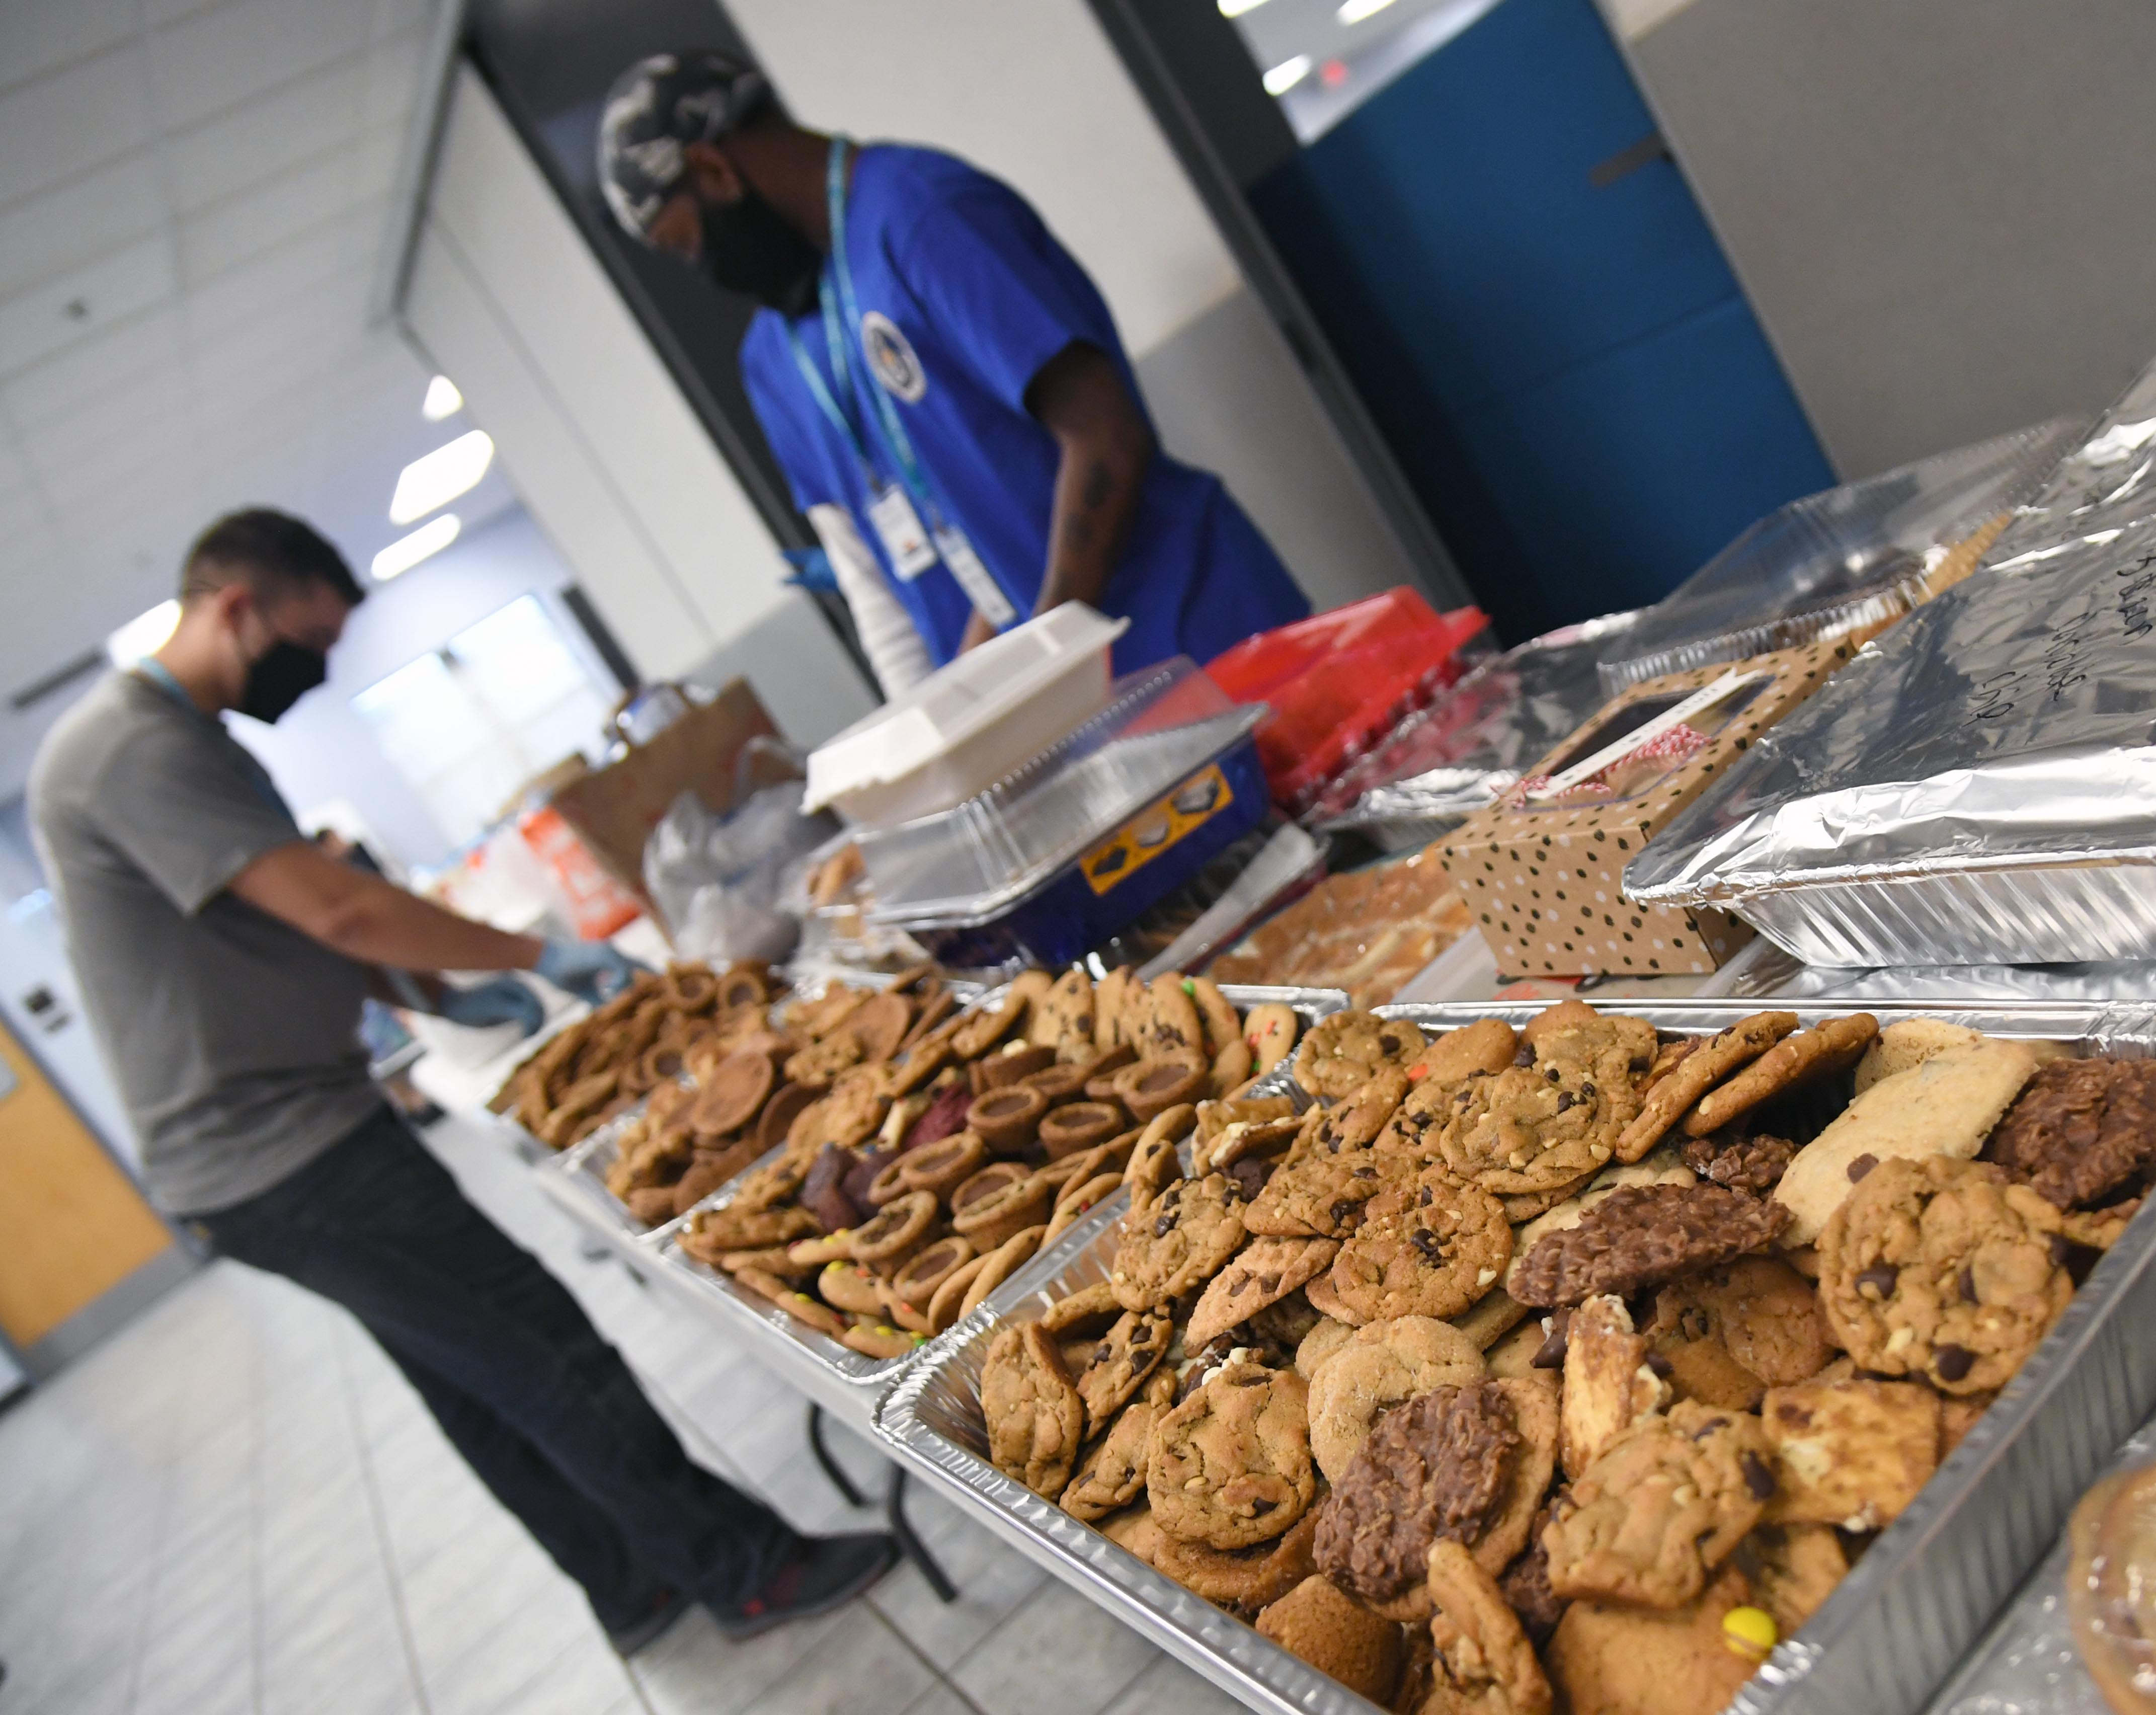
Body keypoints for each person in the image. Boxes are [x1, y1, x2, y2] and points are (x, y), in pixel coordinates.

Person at [27, 509, 894, 1654]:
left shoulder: (193, 746)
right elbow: (334, 906)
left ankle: (627, 1587)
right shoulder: (132, 747)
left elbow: (289, 933)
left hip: (273, 1150)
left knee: (471, 1376)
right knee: (536, 1347)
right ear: (237, 606)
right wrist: (536, 954)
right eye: (311, 641)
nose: (318, 670)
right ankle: (746, 1569)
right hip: (288, 1152)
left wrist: (430, 993)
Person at [595, 50, 1310, 692]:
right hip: (1119, 689)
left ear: (715, 171)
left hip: (1198, 635)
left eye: (687, 244)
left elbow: (1105, 438)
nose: (704, 270)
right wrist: (957, 707)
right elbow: (985, 530)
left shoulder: (922, 213)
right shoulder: (829, 292)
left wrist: (1043, 660)